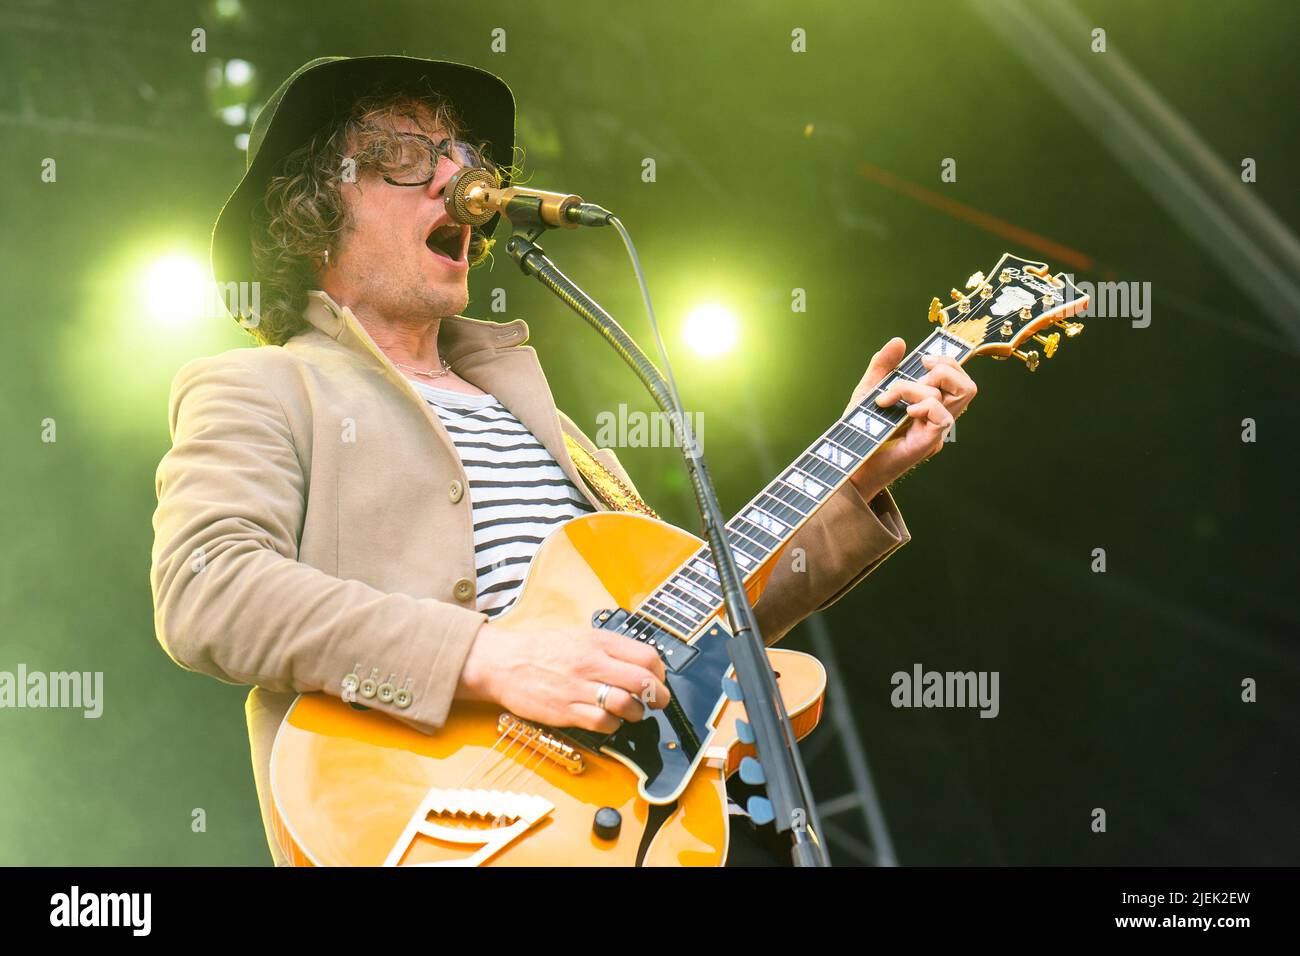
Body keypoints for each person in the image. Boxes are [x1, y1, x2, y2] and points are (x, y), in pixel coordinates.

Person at [150, 56, 977, 866]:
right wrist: (489, 657)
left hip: (628, 819)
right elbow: (207, 584)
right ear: (311, 204)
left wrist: (856, 474)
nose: (458, 181)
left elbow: (700, 638)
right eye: (406, 156)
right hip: (432, 808)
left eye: (466, 159)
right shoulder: (261, 385)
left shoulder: (548, 425)